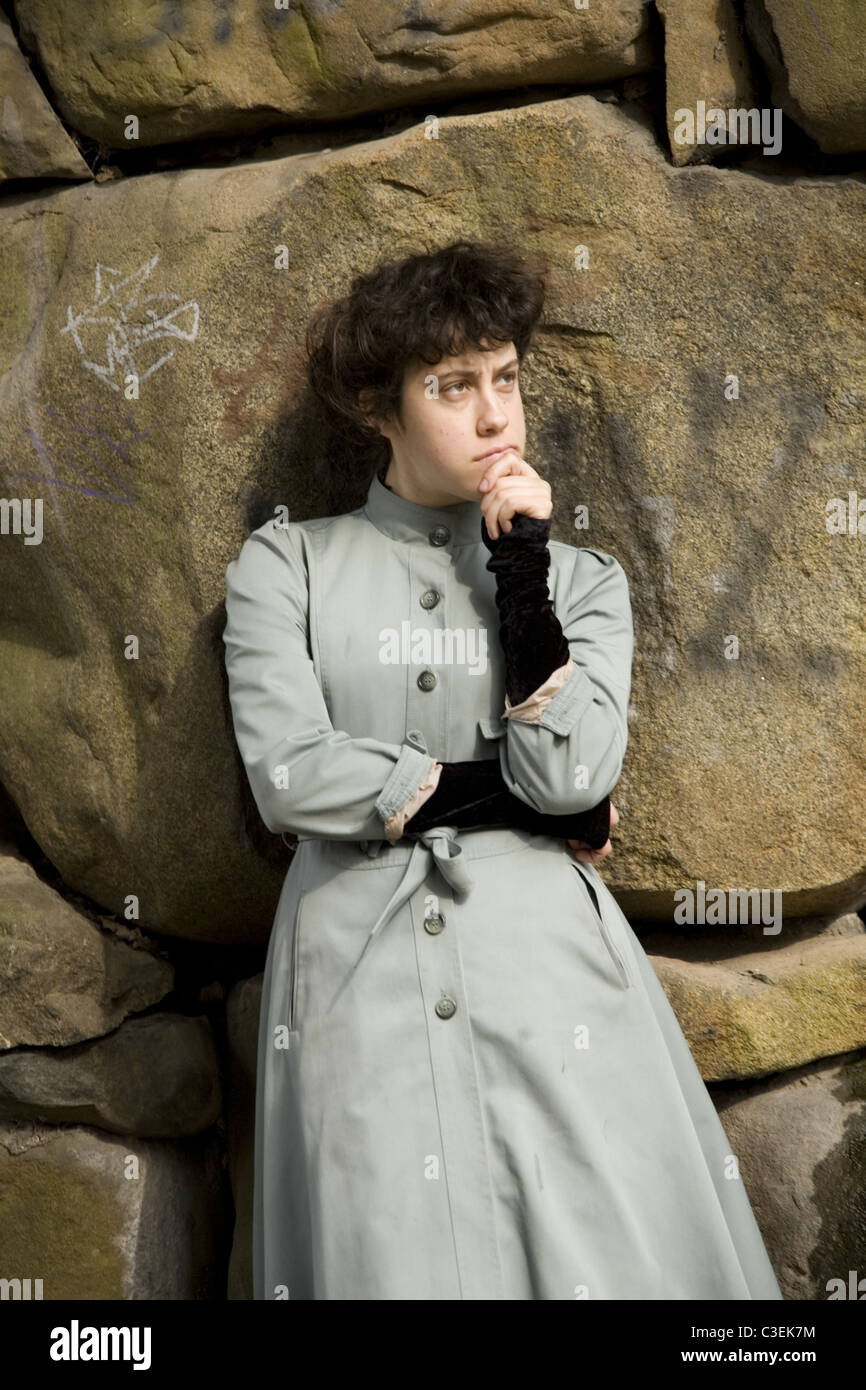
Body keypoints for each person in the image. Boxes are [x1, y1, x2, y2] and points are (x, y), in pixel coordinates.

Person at [222, 239, 783, 1300]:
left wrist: (519, 577)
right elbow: (290, 776)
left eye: (505, 379)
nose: (494, 417)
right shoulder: (285, 565)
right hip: (354, 977)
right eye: (451, 387)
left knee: (608, 1251)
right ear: (374, 406)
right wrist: (500, 793)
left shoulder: (580, 579)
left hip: (549, 976)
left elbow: (570, 776)